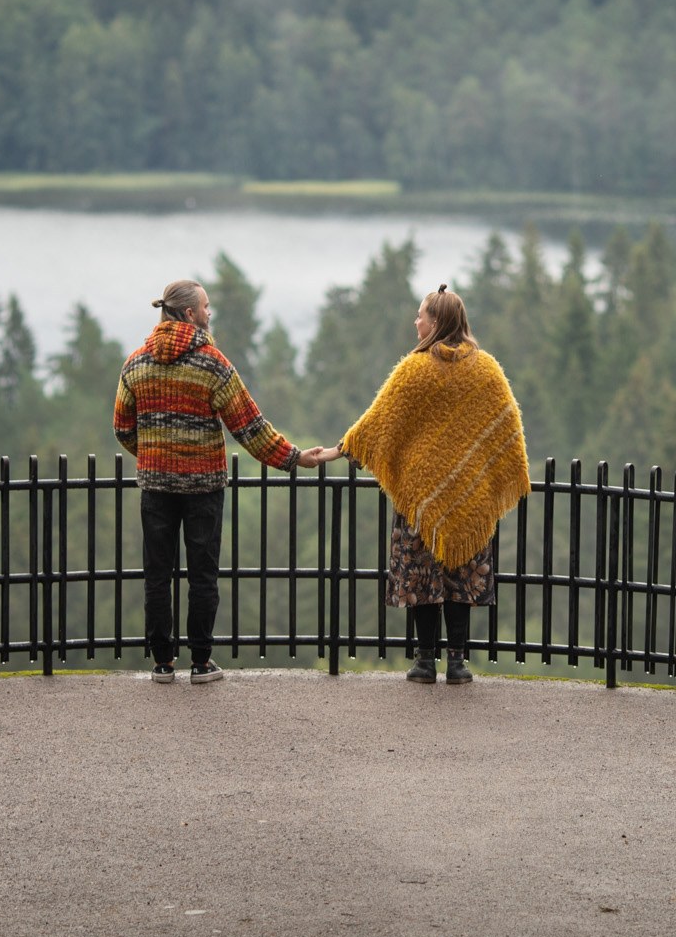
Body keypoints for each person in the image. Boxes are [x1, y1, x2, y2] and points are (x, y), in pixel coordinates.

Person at [307, 286, 530, 685]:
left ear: (437, 321)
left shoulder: (414, 369)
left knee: (423, 578)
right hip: (471, 499)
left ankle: (425, 661)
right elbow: (509, 432)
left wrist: (335, 452)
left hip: (419, 501)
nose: (416, 322)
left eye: (421, 315)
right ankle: (458, 664)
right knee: (461, 579)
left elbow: (376, 425)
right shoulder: (488, 370)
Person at [117, 279, 333, 684]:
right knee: (202, 576)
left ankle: (162, 664)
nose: (209, 312)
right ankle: (200, 663)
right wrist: (295, 457)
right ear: (189, 314)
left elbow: (122, 428)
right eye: (205, 306)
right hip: (203, 490)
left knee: (157, 576)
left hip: (156, 489)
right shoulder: (213, 364)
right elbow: (249, 428)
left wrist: (156, 456)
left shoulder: (135, 363)